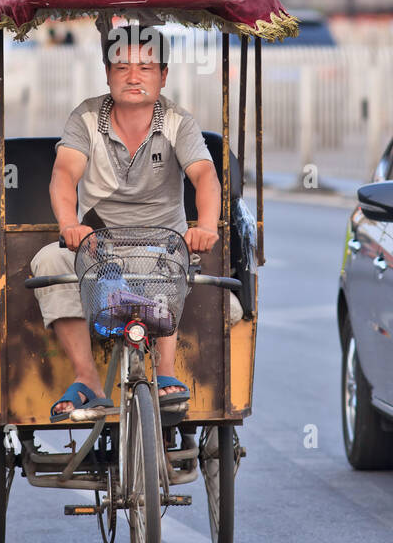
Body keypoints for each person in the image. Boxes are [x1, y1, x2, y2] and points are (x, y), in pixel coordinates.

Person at [31, 21, 241, 423]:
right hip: (100, 250)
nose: (132, 77)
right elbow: (64, 174)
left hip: (164, 247)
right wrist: (69, 224)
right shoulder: (87, 118)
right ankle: (88, 381)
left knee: (170, 265)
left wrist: (208, 227)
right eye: (121, 66)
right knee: (48, 262)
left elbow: (204, 177)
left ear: (163, 76)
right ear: (107, 72)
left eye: (145, 68)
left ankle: (165, 374)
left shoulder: (180, 122)